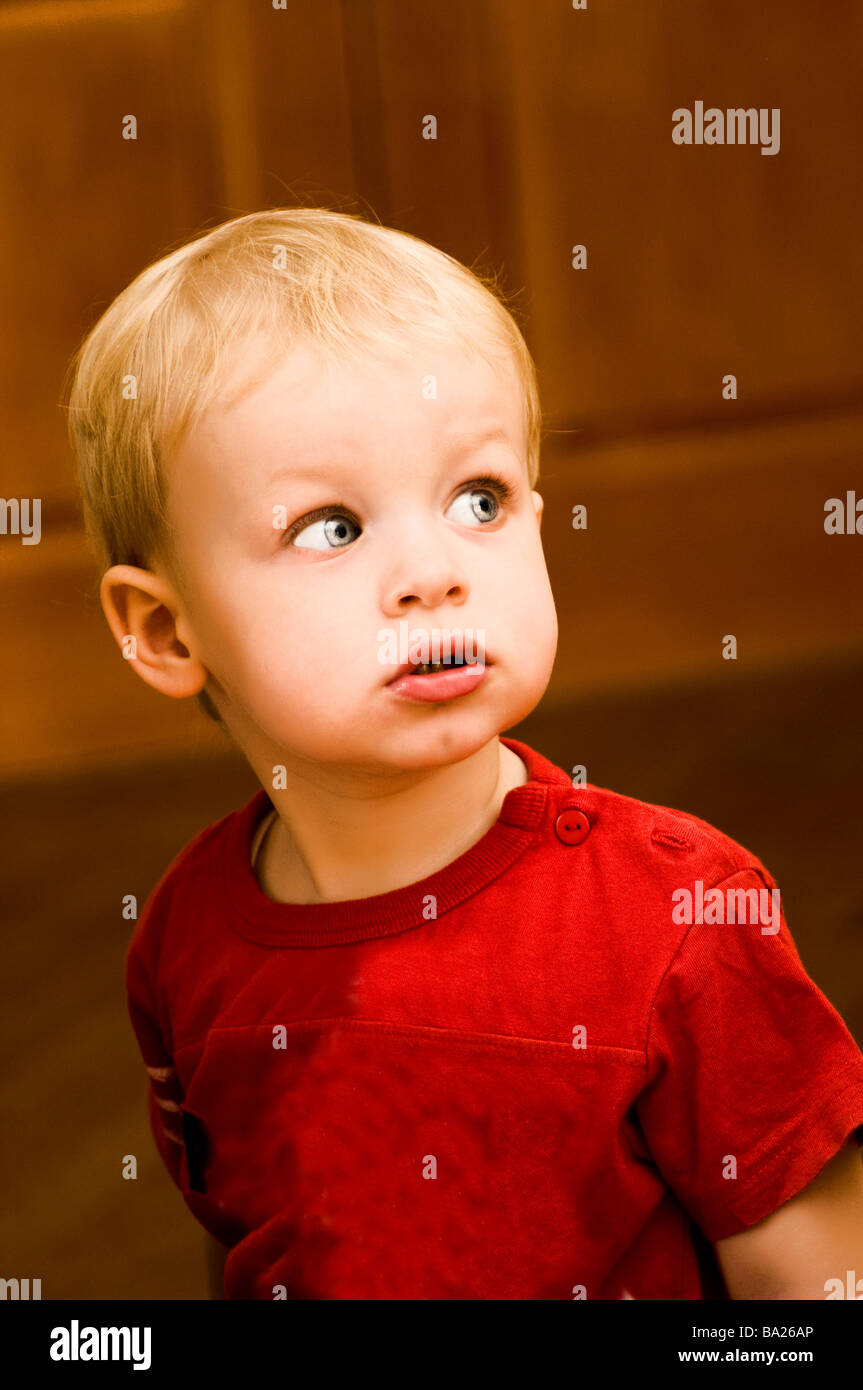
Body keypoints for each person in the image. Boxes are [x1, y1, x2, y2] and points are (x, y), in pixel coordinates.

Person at [66, 207, 863, 1299]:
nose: (431, 570)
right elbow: (253, 1233)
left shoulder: (680, 915)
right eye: (332, 526)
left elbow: (815, 1281)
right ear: (165, 632)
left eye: (476, 500)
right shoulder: (180, 941)